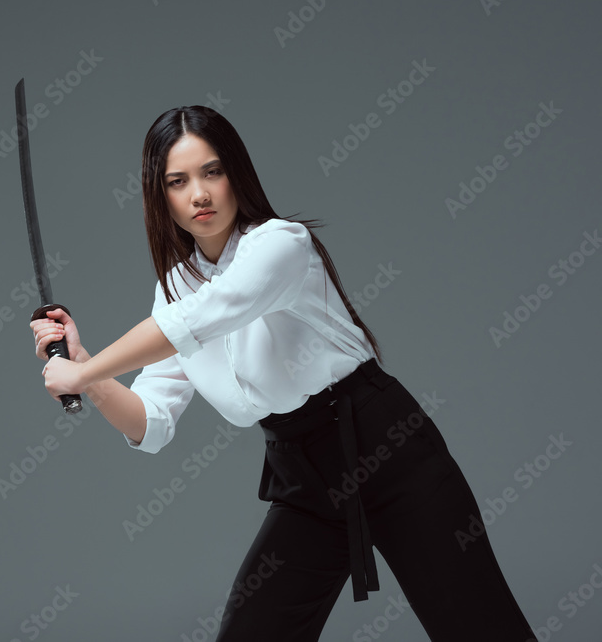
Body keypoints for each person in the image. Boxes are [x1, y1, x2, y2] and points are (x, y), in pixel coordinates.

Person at [27, 106, 536, 641]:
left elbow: (199, 319)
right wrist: (88, 369)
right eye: (178, 181)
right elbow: (151, 424)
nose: (199, 194)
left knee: (480, 627)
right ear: (161, 196)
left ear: (236, 175)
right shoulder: (175, 289)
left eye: (213, 172)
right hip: (304, 476)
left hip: (387, 448)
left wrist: (83, 376)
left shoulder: (279, 245)